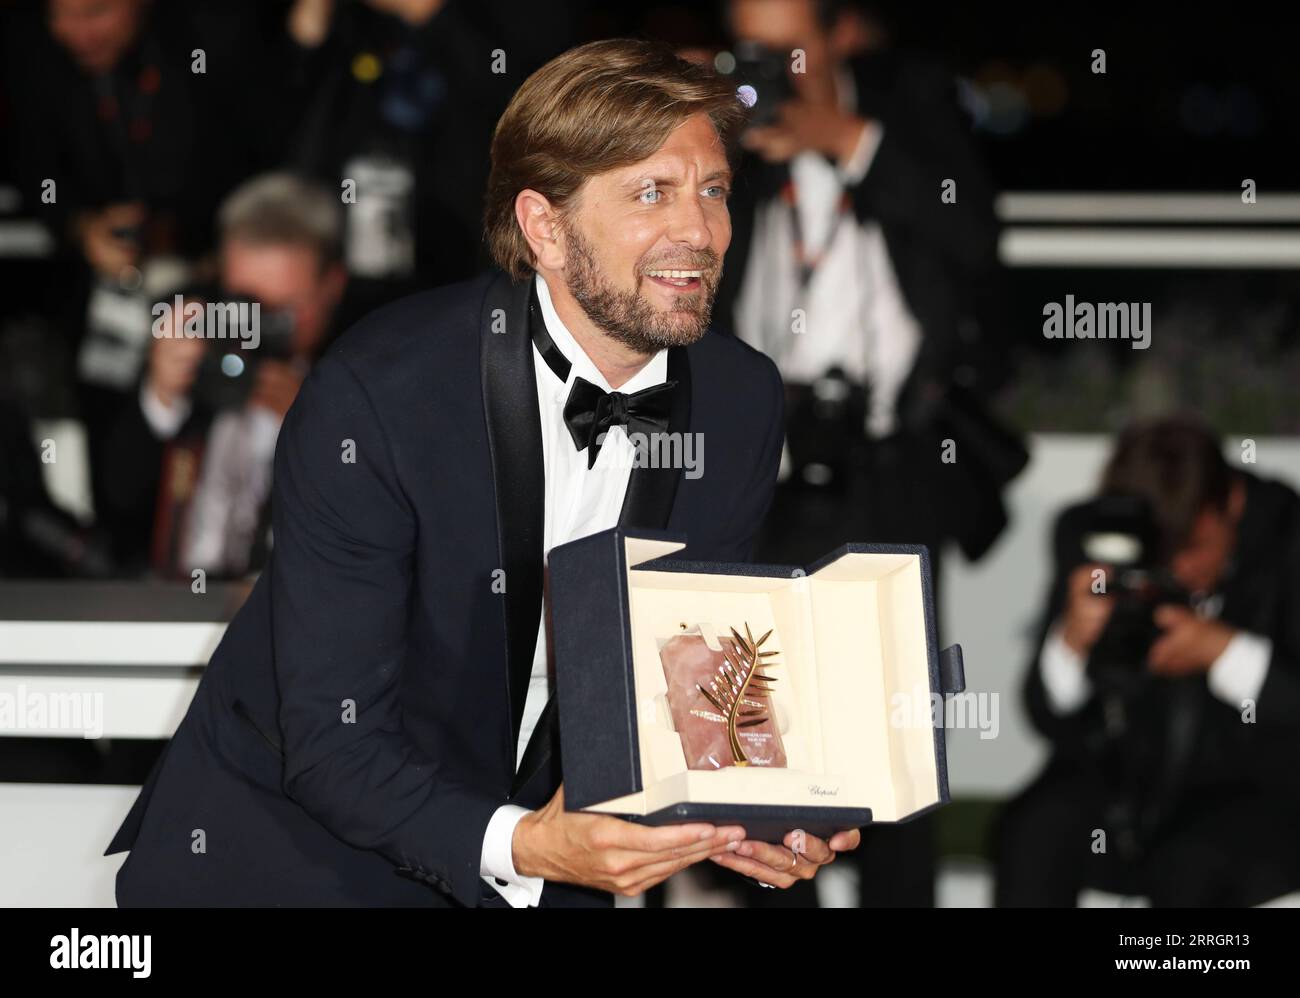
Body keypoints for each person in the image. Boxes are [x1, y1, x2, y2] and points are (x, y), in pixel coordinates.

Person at [106, 39, 861, 907]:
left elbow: (686, 676)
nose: (699, 231)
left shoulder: (739, 399)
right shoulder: (380, 392)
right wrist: (528, 844)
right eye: (652, 192)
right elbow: (333, 746)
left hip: (544, 867)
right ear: (545, 227)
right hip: (288, 857)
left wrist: (757, 815)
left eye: (713, 190)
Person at [716, 0, 1021, 908]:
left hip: (892, 468)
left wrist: (848, 138)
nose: (767, 68)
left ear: (843, 33)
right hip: (765, 475)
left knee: (898, 747)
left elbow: (974, 234)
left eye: (786, 46)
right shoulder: (726, 133)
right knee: (761, 743)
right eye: (750, 49)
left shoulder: (912, 109)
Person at [994, 418, 1300, 906]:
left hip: (1252, 788)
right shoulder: (1090, 535)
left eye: (1190, 551)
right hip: (1123, 774)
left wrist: (1224, 652)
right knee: (1032, 828)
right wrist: (1070, 643)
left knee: (1193, 864)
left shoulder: (1287, 535)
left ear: (1229, 506)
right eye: (1159, 558)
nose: (1175, 572)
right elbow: (1046, 714)